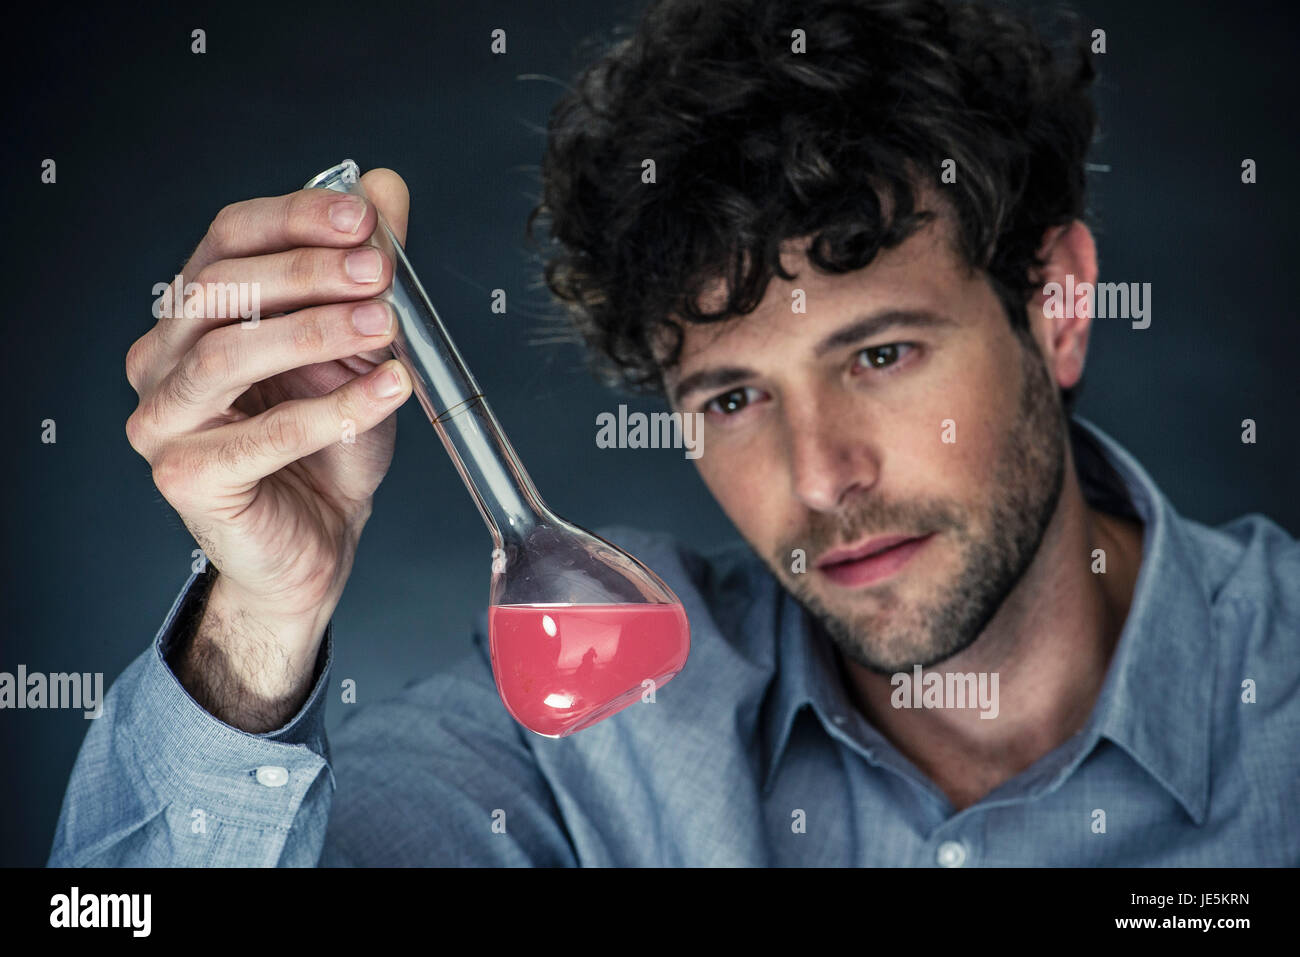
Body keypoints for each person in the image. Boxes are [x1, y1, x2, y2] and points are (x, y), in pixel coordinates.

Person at [50, 0, 1299, 866]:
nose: (820, 479)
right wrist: (261, 618)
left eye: (878, 354)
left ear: (1057, 305)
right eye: (732, 397)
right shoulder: (589, 729)